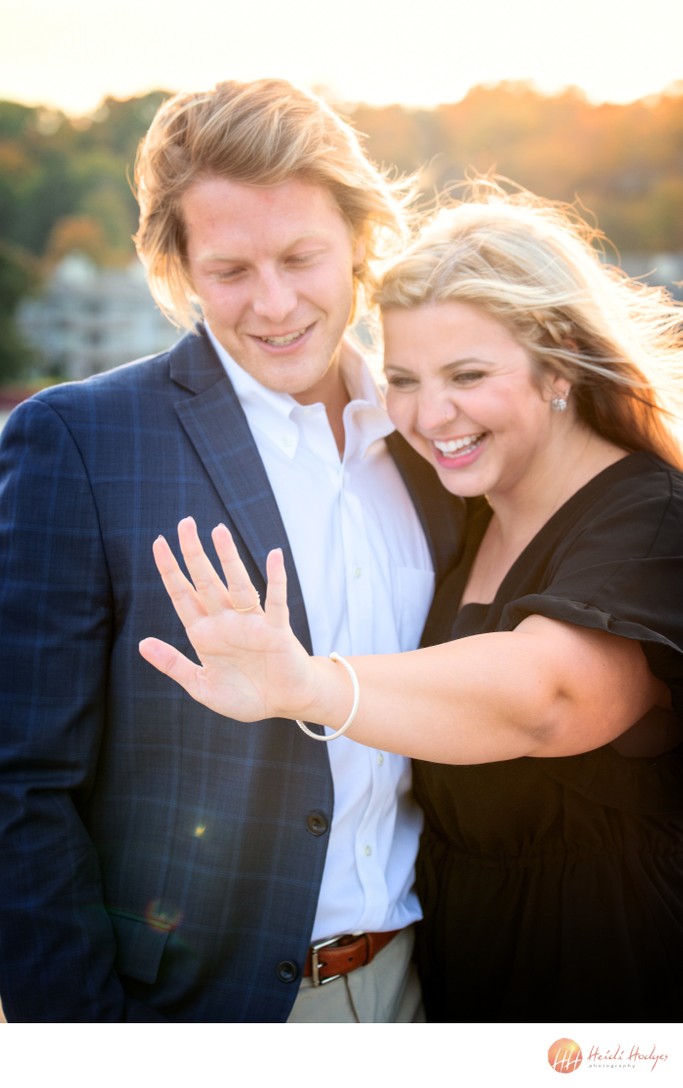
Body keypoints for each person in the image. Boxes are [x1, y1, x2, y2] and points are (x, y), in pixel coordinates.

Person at [139, 179, 683, 1022]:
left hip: (606, 996)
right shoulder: (459, 512)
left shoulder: (650, 517)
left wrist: (310, 686)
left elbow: (550, 696)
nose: (430, 416)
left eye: (467, 374)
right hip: (456, 986)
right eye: (401, 378)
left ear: (558, 367)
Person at [0, 79, 464, 1023]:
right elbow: (20, 787)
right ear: (177, 269)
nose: (275, 303)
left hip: (432, 984)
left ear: (362, 243)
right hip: (204, 1013)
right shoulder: (80, 443)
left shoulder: (435, 439)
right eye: (230, 271)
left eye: (302, 257)